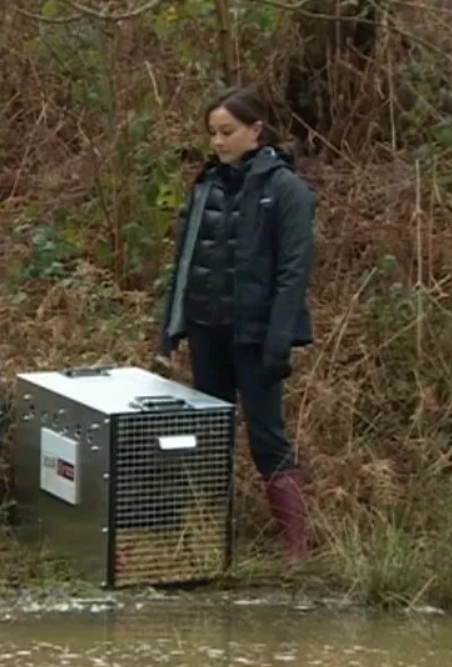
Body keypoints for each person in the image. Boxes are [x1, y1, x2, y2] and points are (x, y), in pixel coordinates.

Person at [156, 86, 317, 562]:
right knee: (209, 435)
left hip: (257, 336)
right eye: (213, 133)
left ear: (255, 130)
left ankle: (295, 550)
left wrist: (279, 340)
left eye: (227, 132)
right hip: (207, 330)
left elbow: (293, 272)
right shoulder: (206, 185)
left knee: (267, 437)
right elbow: (185, 260)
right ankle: (207, 539)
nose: (218, 142)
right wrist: (171, 330)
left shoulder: (286, 190)